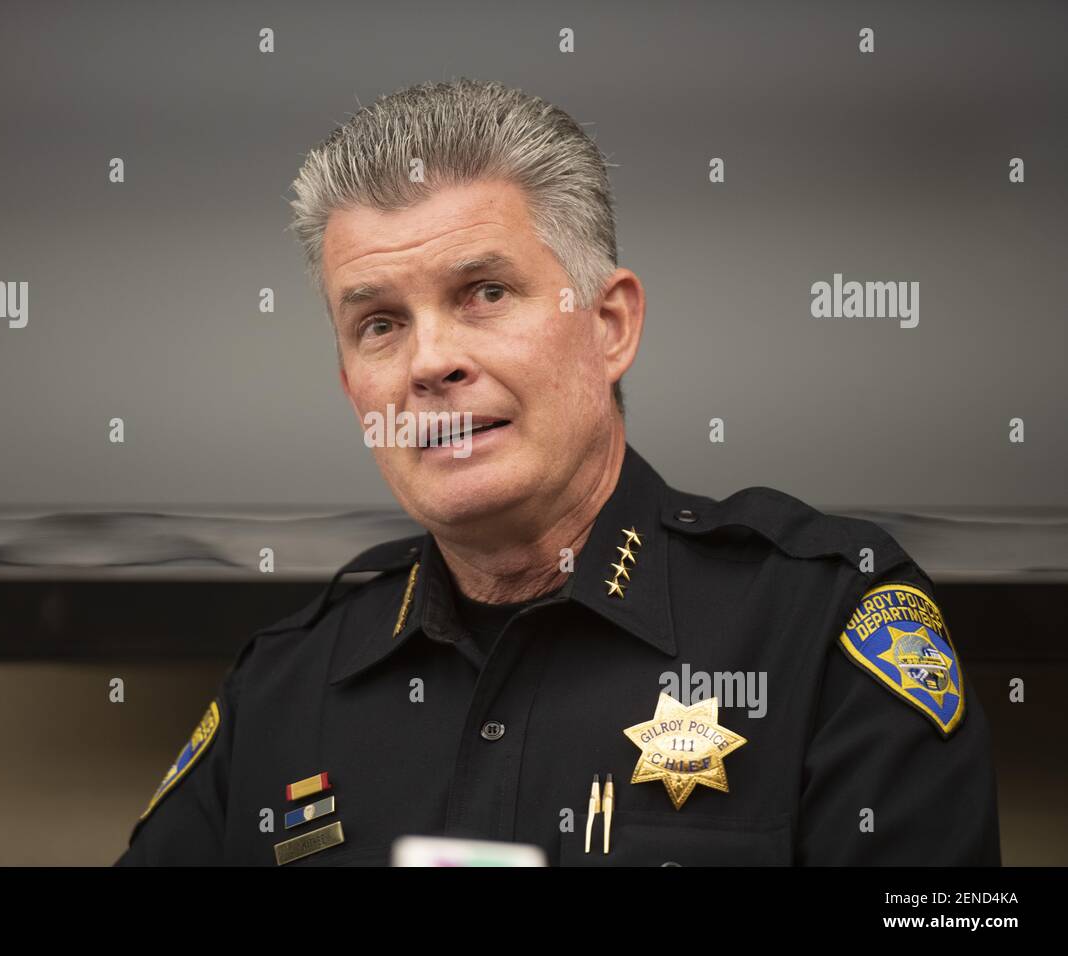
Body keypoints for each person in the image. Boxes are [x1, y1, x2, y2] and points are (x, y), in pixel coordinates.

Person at [116, 78, 1000, 866]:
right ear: (353, 386)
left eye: (485, 294)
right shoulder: (286, 683)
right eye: (380, 322)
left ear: (609, 326)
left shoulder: (823, 627)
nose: (430, 362)